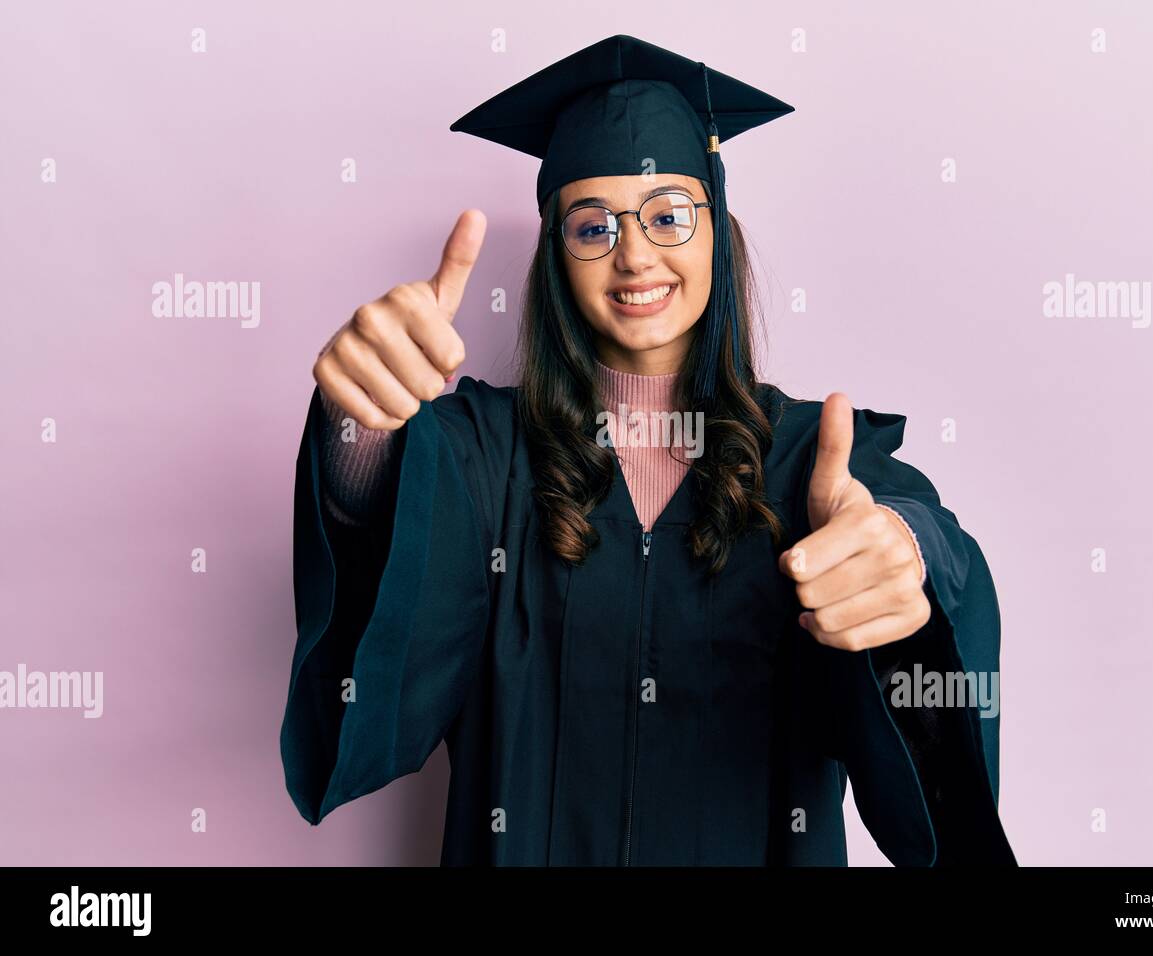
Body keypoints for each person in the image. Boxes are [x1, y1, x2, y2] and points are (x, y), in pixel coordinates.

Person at [280, 34, 1016, 866]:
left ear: (716, 229)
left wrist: (904, 553)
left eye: (670, 213)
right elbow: (399, 568)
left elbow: (918, 542)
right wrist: (359, 431)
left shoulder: (811, 460)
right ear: (557, 257)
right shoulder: (487, 453)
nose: (634, 253)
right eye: (591, 226)